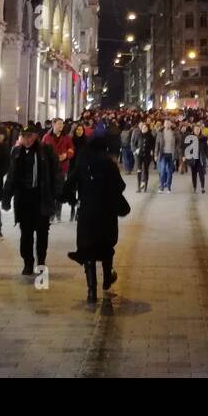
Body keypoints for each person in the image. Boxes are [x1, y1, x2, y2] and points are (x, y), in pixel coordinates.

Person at [66, 128, 130, 302]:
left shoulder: (82, 161)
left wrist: (71, 198)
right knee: (106, 248)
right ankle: (107, 280)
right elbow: (121, 186)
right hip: (106, 214)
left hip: (87, 212)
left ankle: (91, 292)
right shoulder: (108, 163)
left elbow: (70, 183)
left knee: (88, 250)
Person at [2, 123, 61, 276]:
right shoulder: (16, 152)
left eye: (29, 137)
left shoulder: (45, 151)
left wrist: (57, 194)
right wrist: (6, 197)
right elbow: (11, 176)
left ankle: (41, 262)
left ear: (35, 137)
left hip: (41, 197)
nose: (26, 140)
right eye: (23, 136)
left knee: (42, 233)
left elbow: (56, 173)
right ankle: (28, 262)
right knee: (26, 233)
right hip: (23, 198)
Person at [44, 118, 76, 222]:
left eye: (62, 124)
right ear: (53, 124)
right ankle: (51, 213)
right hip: (49, 168)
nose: (61, 126)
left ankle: (58, 214)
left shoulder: (66, 138)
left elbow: (71, 149)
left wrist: (66, 155)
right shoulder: (46, 137)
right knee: (50, 191)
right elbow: (42, 150)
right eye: (59, 124)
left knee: (59, 191)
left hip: (62, 168)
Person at [66, 120, 89, 220]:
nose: (79, 132)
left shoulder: (86, 141)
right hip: (72, 168)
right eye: (78, 130)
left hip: (83, 169)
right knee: (72, 190)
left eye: (81, 130)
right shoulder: (71, 141)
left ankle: (79, 211)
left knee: (81, 191)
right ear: (75, 131)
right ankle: (72, 208)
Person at [186, 119, 208, 195]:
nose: (197, 131)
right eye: (195, 129)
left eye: (198, 129)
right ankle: (194, 188)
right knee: (193, 175)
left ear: (200, 130)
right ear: (193, 130)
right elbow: (187, 149)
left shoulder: (204, 139)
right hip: (193, 160)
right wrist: (187, 158)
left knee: (201, 174)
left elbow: (207, 150)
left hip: (201, 159)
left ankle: (202, 187)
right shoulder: (190, 138)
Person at [155, 118, 180, 193]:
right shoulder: (160, 133)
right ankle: (162, 187)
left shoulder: (174, 132)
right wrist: (156, 154)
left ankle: (168, 187)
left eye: (169, 123)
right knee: (162, 171)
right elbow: (157, 144)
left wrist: (176, 149)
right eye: (166, 123)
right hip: (163, 154)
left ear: (171, 124)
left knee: (169, 171)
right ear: (164, 124)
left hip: (171, 155)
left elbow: (179, 141)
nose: (167, 125)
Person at [134, 119, 156, 193]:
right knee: (139, 170)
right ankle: (139, 186)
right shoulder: (138, 135)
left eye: (145, 128)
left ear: (147, 128)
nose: (144, 129)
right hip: (139, 155)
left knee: (145, 169)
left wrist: (152, 151)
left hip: (147, 155)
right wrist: (135, 150)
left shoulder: (151, 136)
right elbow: (134, 144)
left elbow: (153, 145)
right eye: (143, 128)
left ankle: (145, 184)